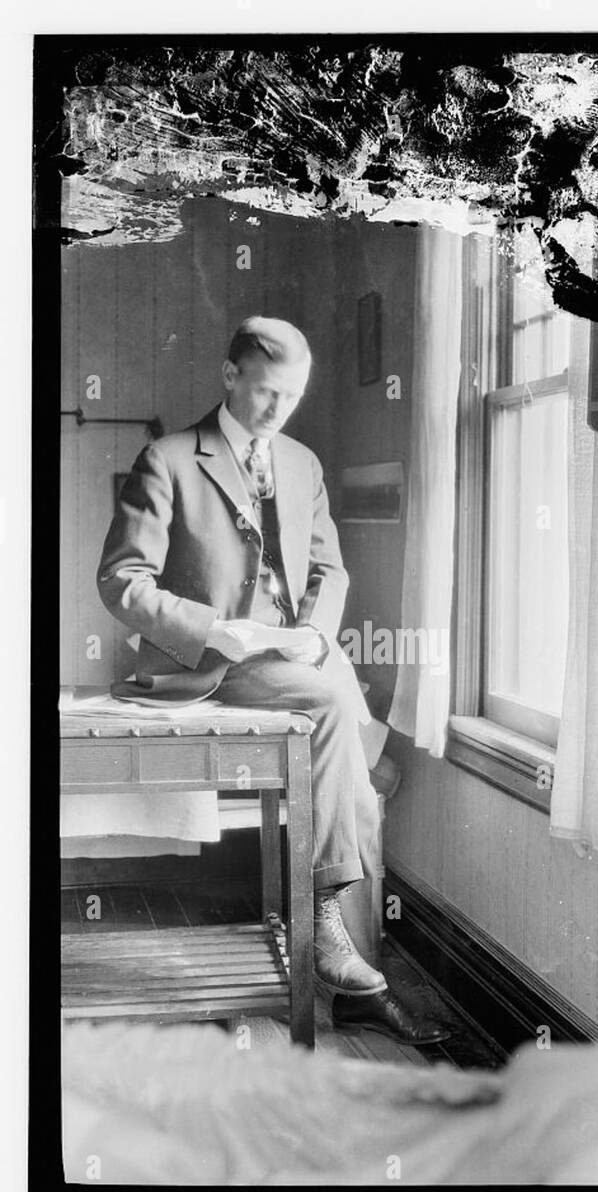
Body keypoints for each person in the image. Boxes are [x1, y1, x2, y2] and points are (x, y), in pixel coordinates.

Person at [97, 315, 448, 1045]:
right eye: (265, 393)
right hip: (211, 664)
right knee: (334, 716)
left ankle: (350, 958)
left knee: (361, 747)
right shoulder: (167, 458)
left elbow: (328, 568)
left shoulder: (301, 463)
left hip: (294, 654)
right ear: (229, 377)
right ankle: (326, 932)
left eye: (290, 397)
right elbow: (122, 580)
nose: (277, 411)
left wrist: (317, 629)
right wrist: (209, 628)